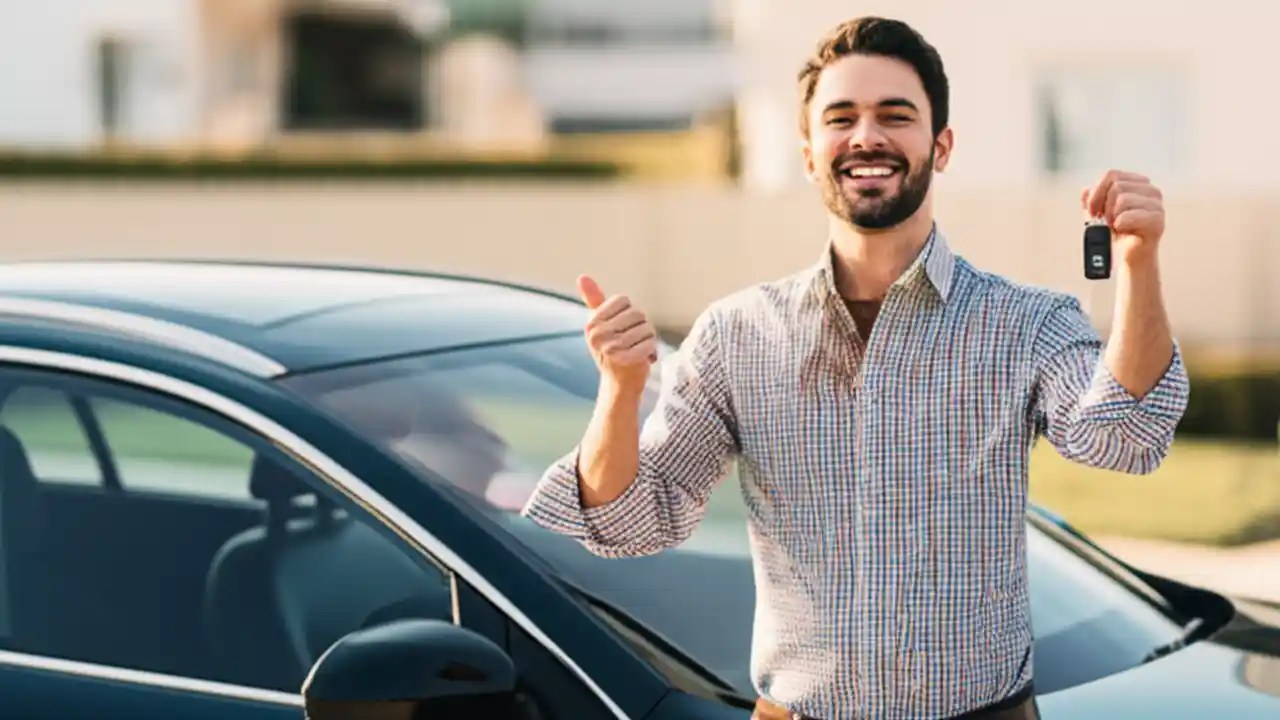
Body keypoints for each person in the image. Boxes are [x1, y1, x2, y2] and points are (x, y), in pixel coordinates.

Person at [522, 16, 1189, 720]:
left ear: (942, 145)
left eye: (894, 116)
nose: (867, 136)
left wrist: (1139, 264)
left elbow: (1126, 439)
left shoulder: (1026, 323)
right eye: (841, 118)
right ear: (810, 153)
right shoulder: (736, 334)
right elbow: (631, 521)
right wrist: (619, 394)